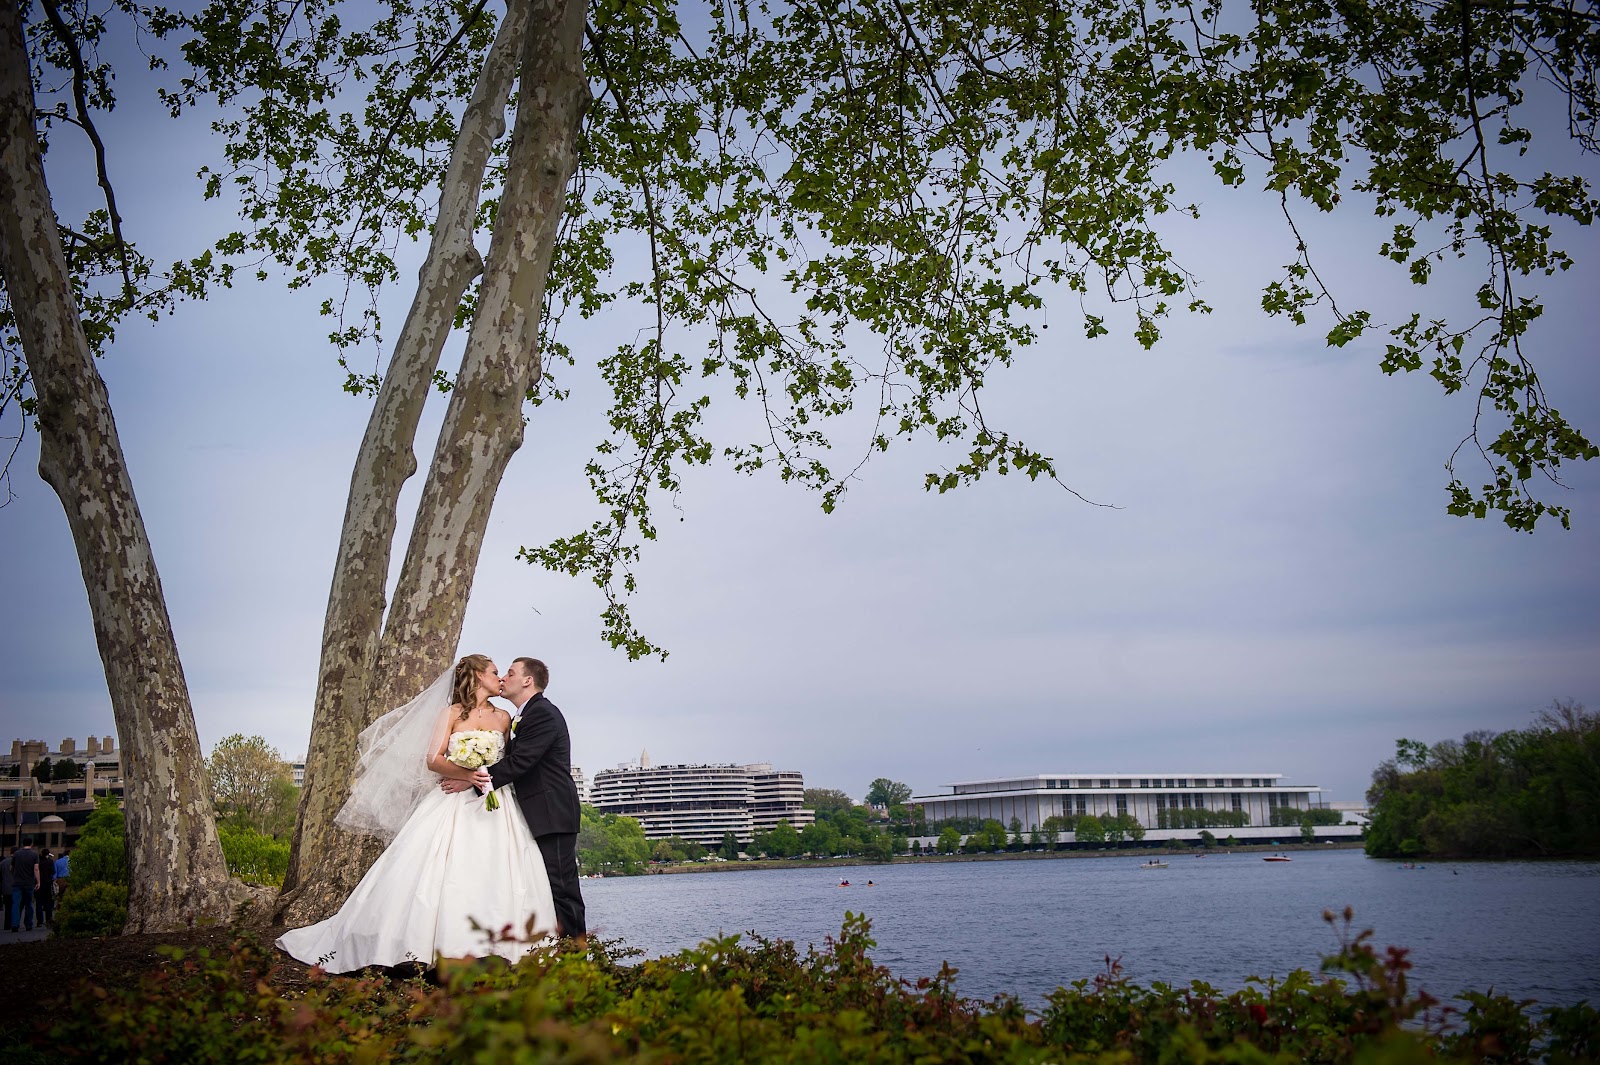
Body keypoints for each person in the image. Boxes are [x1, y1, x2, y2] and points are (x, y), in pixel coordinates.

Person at [276, 655, 557, 972]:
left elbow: (504, 763)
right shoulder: (450, 714)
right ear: (479, 676)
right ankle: (423, 947)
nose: (501, 678)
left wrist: (478, 779)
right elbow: (433, 759)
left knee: (497, 869)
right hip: (452, 799)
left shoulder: (504, 718)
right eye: (495, 672)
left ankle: (493, 948)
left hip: (495, 804)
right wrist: (466, 775)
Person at [445, 657, 586, 940]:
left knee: (562, 886)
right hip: (536, 811)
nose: (503, 679)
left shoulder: (542, 713)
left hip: (552, 813)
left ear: (527, 681)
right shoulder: (525, 714)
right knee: (543, 885)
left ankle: (576, 952)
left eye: (510, 673)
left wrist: (472, 780)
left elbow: (520, 761)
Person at [11, 839, 39, 932]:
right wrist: (38, 881)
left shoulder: (16, 854)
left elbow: (12, 867)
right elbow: (36, 869)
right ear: (31, 844)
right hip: (29, 882)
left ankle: (14, 924)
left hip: (17, 882)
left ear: (23, 843)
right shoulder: (34, 855)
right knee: (29, 904)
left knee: (16, 904)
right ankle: (28, 924)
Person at [36, 847, 55, 927]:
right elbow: (53, 871)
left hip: (39, 883)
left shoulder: (39, 862)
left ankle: (39, 921)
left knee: (39, 903)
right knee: (48, 902)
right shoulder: (50, 861)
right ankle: (48, 919)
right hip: (47, 883)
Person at [1, 846, 14, 932]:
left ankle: (7, 924)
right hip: (16, 887)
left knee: (7, 907)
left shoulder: (3, 862)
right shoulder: (18, 862)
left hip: (5, 887)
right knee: (15, 906)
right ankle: (14, 923)